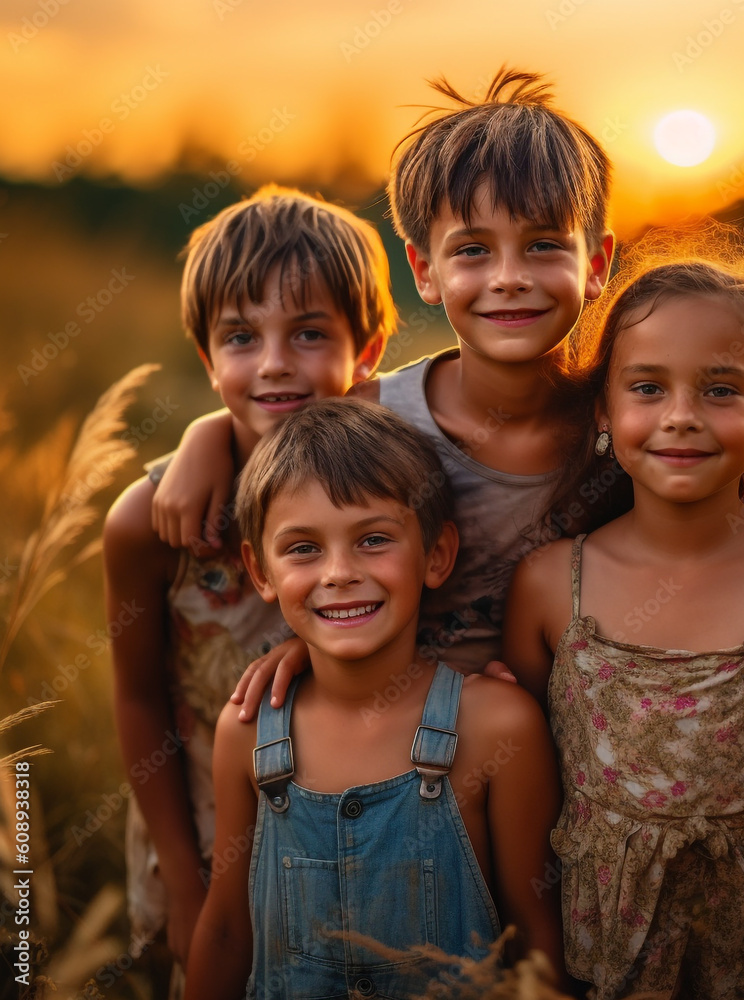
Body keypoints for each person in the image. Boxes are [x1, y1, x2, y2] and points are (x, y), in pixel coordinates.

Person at [503, 207, 744, 999]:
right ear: (605, 415)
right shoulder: (552, 584)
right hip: (602, 965)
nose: (681, 416)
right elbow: (523, 793)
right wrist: (536, 967)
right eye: (648, 388)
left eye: (720, 389)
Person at [150, 67, 615, 695]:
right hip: (381, 748)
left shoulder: (619, 431)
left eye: (543, 246)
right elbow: (284, 439)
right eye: (473, 250)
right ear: (424, 270)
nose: (509, 277)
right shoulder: (374, 416)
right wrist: (207, 439)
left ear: (598, 263)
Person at [103, 184, 393, 987]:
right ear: (206, 356)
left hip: (362, 847)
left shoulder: (391, 488)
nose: (272, 363)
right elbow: (136, 702)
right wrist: (186, 888)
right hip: (196, 842)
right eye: (240, 337)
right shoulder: (150, 522)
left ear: (365, 352)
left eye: (308, 333)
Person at [184, 397, 565, 1000]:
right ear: (261, 573)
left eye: (373, 540)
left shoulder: (495, 726)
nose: (338, 572)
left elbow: (538, 940)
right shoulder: (250, 728)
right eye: (303, 548)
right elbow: (230, 929)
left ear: (436, 555)